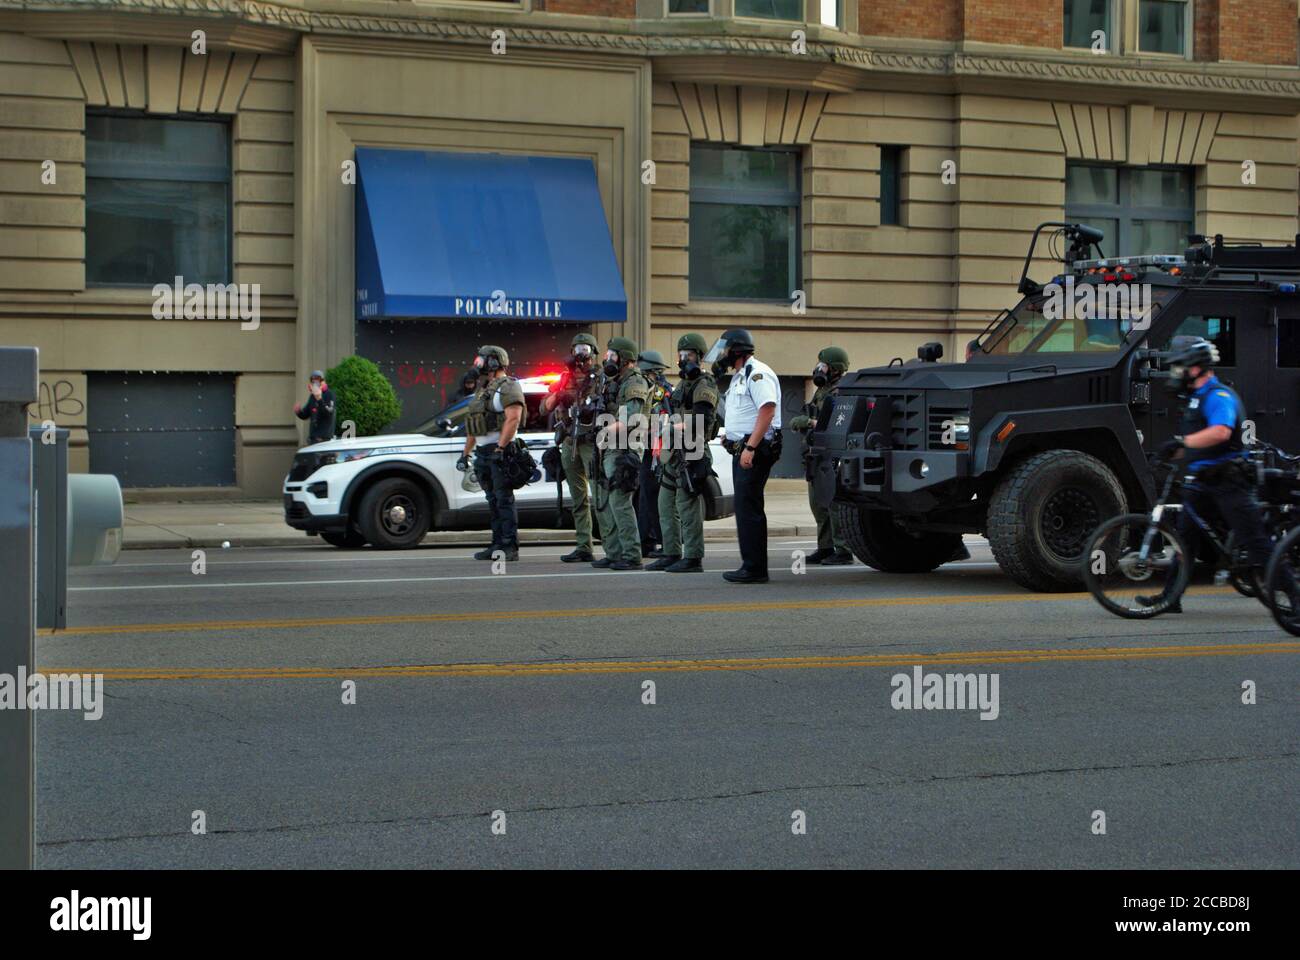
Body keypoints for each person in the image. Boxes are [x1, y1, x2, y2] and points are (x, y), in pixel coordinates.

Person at [1140, 336, 1272, 613]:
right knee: (1183, 543)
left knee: (1258, 545)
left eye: (1180, 367)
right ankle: (1170, 598)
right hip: (1201, 482)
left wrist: (1183, 443)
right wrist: (1169, 453)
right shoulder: (1195, 400)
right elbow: (1198, 440)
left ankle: (1294, 601)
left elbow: (1221, 432)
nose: (1176, 373)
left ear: (1196, 366)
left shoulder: (1218, 396)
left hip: (1229, 482)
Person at [709, 329, 781, 584]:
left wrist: (750, 448)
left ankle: (755, 568)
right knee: (745, 505)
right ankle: (751, 565)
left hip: (755, 451)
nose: (722, 356)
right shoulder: (740, 376)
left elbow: (768, 410)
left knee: (748, 507)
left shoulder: (757, 373)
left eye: (726, 351)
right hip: (743, 449)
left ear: (736, 351)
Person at [650, 333, 721, 573]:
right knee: (665, 503)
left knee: (687, 505)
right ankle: (671, 552)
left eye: (688, 355)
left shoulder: (704, 384)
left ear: (699, 357)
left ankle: (693, 557)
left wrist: (672, 425)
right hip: (675, 449)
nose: (683, 360)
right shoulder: (682, 384)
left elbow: (701, 420)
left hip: (693, 450)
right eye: (680, 355)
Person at [457, 345, 525, 562]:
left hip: (500, 452)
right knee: (493, 500)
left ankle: (509, 546)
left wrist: (501, 448)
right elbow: (474, 426)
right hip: (484, 453)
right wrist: (465, 453)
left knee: (503, 500)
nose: (479, 364)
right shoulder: (484, 390)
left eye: (483, 360)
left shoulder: (508, 386)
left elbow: (513, 418)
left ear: (495, 362)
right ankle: (497, 544)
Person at [788, 346, 852, 565]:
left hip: (831, 454)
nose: (819, 368)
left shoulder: (841, 391)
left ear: (834, 368)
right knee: (817, 504)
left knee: (832, 502)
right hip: (815, 452)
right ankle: (824, 547)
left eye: (823, 365)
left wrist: (808, 423)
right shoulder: (823, 390)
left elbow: (837, 422)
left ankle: (843, 550)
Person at [542, 332, 602, 563]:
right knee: (578, 499)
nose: (580, 355)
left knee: (600, 496)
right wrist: (559, 394)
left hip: (590, 442)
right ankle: (583, 546)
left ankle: (612, 545)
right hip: (569, 440)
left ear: (592, 354)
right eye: (577, 350)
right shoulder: (564, 378)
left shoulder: (599, 379)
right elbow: (544, 409)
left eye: (585, 350)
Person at [592, 336, 650, 570]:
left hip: (625, 447)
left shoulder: (635, 382)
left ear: (625, 359)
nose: (608, 359)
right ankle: (614, 552)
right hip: (609, 446)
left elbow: (631, 419)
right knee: (605, 502)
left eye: (613, 355)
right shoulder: (613, 381)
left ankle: (631, 555)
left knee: (620, 501)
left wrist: (604, 432)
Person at [636, 349, 672, 558]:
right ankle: (646, 541)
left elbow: (662, 419)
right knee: (645, 497)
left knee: (654, 496)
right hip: (647, 449)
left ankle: (665, 543)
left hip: (657, 450)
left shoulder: (660, 391)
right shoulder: (649, 388)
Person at [293, 370, 336, 444]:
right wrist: (298, 412)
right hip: (313, 439)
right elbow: (305, 414)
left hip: (324, 439)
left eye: (317, 381)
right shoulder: (312, 397)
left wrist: (319, 399)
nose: (315, 384)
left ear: (323, 381)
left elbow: (328, 413)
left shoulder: (329, 394)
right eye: (313, 382)